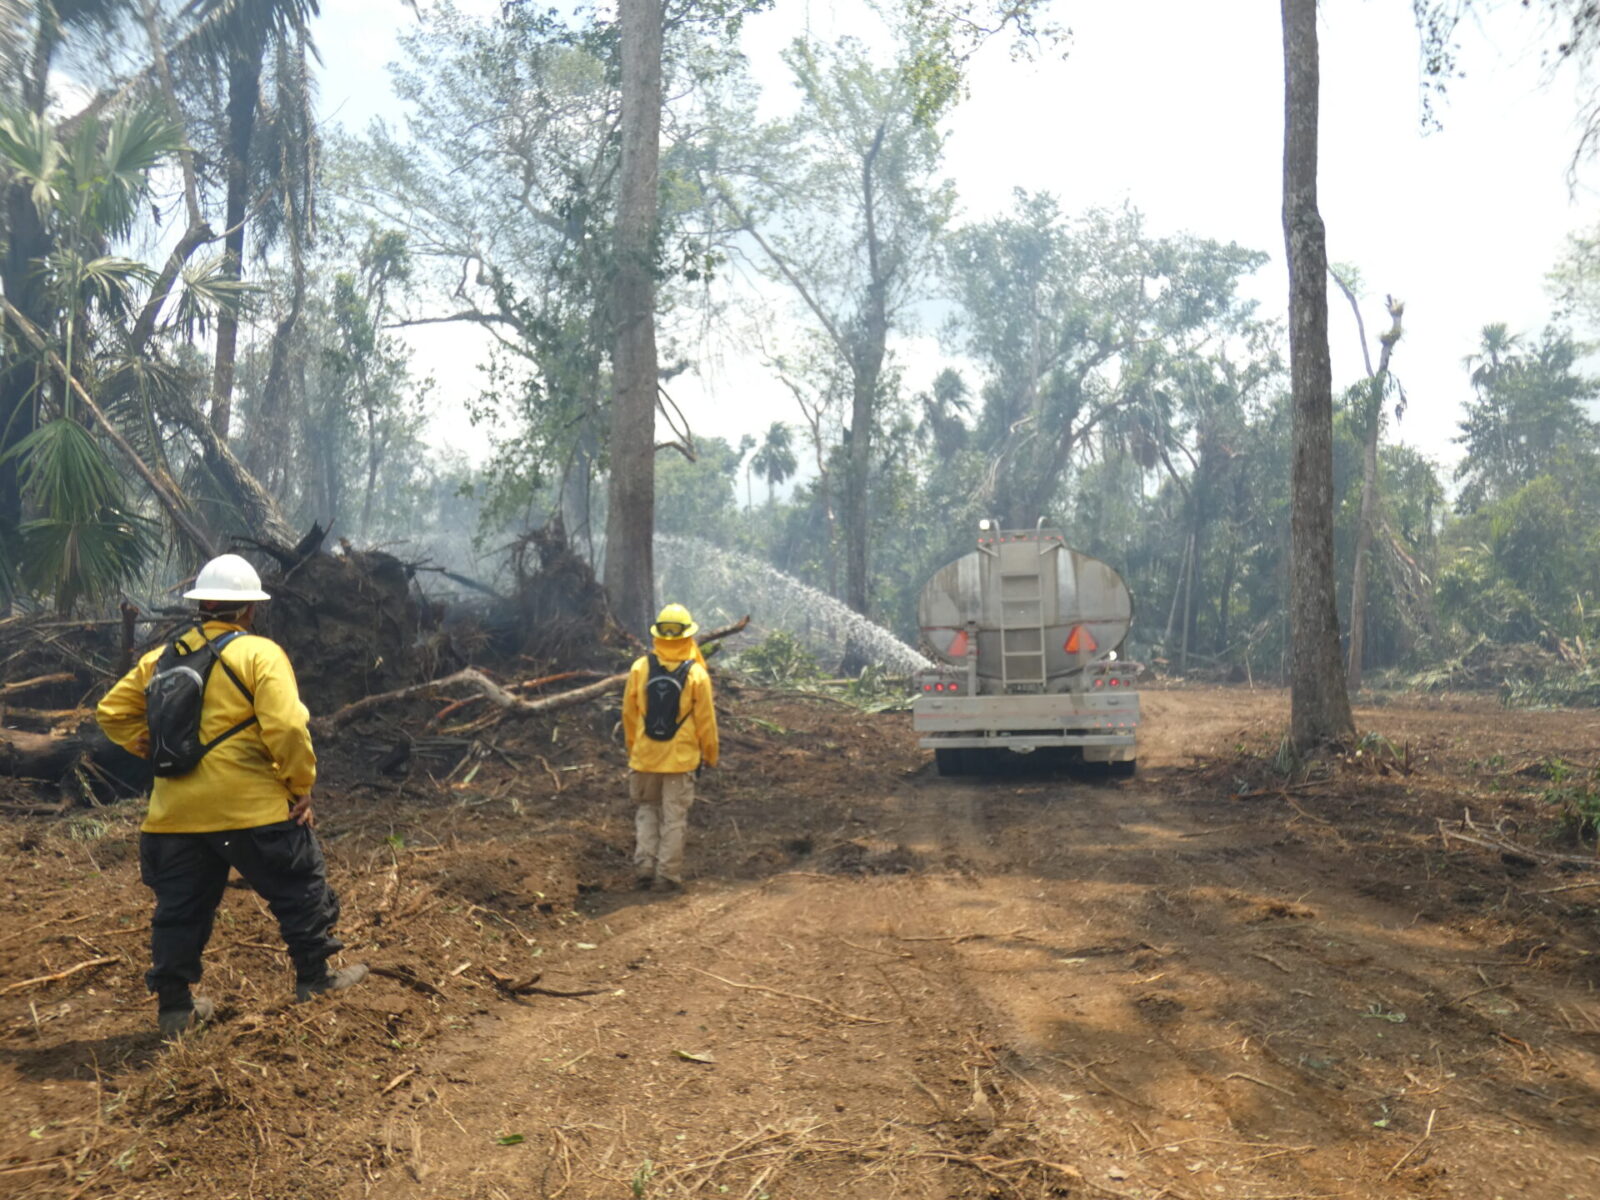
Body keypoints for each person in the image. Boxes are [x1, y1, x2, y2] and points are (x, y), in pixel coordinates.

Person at [96, 554, 367, 1039]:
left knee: (180, 910)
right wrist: (299, 785)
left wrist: (143, 741)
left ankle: (176, 1009)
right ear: (249, 611)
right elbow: (286, 725)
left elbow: (111, 712)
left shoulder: (161, 659)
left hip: (173, 815)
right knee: (300, 886)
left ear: (202, 604)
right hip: (251, 809)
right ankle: (315, 979)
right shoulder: (260, 654)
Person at [622, 603, 719, 891]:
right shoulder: (697, 674)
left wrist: (634, 751)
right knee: (674, 817)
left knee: (647, 810)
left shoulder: (640, 668)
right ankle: (667, 875)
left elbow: (629, 714)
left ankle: (644, 866)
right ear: (687, 635)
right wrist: (710, 755)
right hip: (680, 760)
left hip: (645, 757)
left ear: (658, 635)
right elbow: (706, 722)